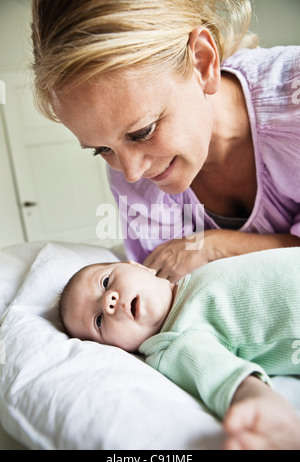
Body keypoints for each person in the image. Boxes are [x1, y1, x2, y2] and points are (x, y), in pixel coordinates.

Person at [31, 0, 300, 283]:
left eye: (142, 132)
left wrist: (215, 248)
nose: (132, 174)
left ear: (202, 62)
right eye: (102, 149)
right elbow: (160, 293)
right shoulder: (130, 175)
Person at [58, 247, 300, 450]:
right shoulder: (174, 340)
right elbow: (220, 374)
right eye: (98, 321)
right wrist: (259, 400)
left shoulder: (191, 280)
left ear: (139, 267)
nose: (108, 301)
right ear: (118, 349)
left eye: (105, 281)